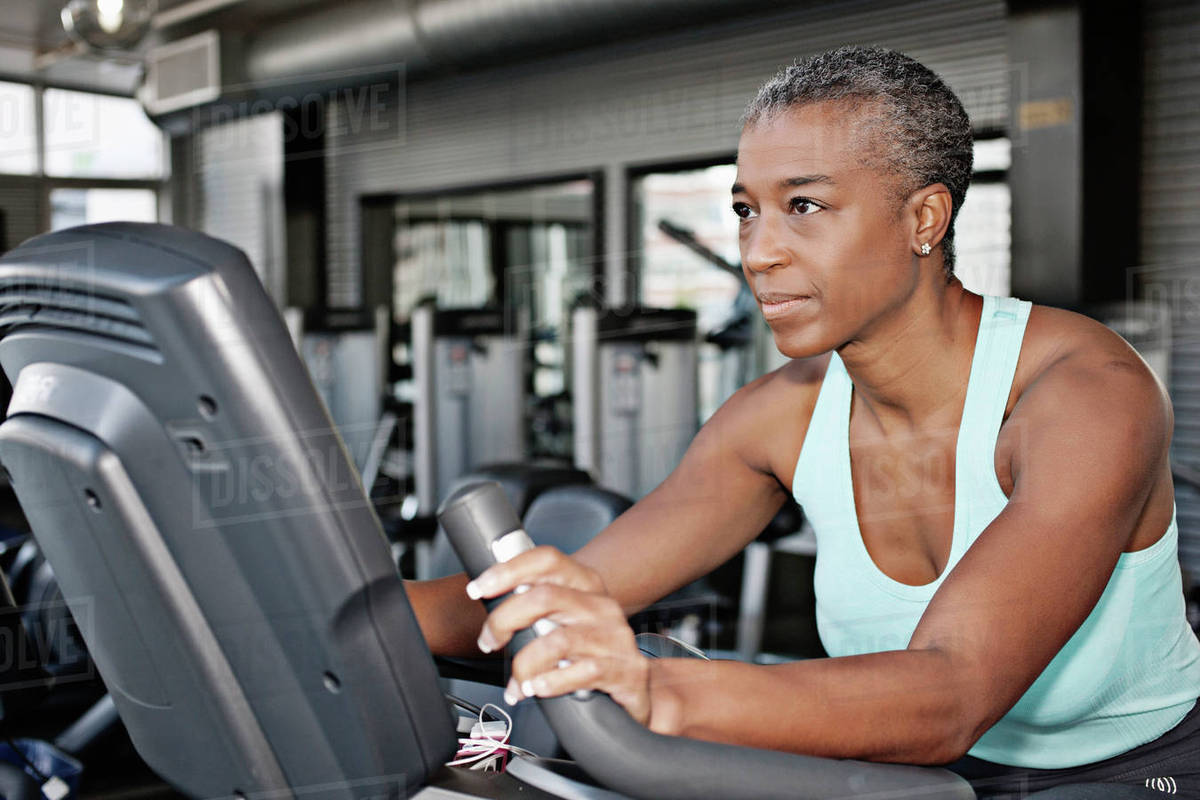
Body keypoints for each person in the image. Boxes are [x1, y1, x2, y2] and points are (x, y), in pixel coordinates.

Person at [406, 47, 1200, 798]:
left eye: (804, 206)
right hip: (905, 779)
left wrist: (658, 690)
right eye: (746, 211)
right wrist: (354, 608)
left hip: (1124, 777)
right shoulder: (777, 416)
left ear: (924, 219)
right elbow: (564, 593)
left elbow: (954, 689)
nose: (758, 252)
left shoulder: (1086, 394)